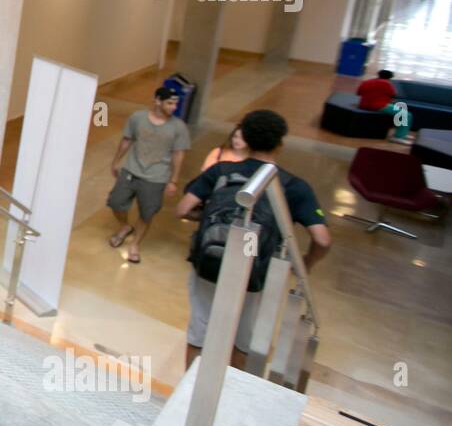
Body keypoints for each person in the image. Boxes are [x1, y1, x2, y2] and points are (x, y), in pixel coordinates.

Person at [176, 110, 331, 370]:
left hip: (210, 262)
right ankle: (232, 391)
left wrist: (207, 219)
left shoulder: (221, 170)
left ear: (244, 138)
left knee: (201, 326)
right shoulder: (293, 186)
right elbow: (323, 239)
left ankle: (188, 388)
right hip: (256, 270)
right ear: (280, 143)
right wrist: (306, 262)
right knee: (245, 336)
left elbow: (182, 209)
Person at [106, 87, 191, 263]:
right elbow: (127, 140)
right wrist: (116, 161)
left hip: (156, 177)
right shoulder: (137, 118)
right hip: (131, 170)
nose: (174, 107)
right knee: (116, 202)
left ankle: (135, 244)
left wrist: (173, 181)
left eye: (175, 103)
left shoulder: (179, 127)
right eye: (169, 103)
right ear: (157, 101)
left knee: (147, 212)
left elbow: (178, 154)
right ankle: (125, 226)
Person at [356, 68, 411, 144]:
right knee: (406, 114)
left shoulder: (367, 82)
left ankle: (402, 133)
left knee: (399, 109)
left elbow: (358, 93)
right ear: (390, 77)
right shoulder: (387, 83)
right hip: (378, 106)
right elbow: (393, 94)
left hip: (364, 104)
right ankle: (398, 136)